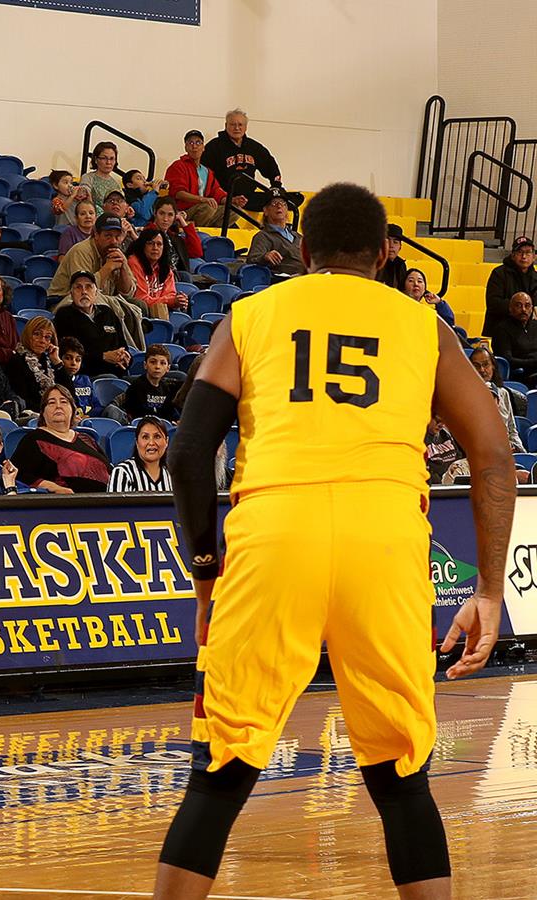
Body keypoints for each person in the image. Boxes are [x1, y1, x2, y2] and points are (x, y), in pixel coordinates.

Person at [153, 181, 514, 900]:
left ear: (303, 250)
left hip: (273, 531)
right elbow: (495, 456)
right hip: (383, 535)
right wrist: (488, 589)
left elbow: (190, 454)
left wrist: (204, 570)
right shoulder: (425, 325)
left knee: (220, 769)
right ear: (387, 251)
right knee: (402, 774)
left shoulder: (250, 315)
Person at [9, 383, 110, 493]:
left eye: (64, 402)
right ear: (43, 412)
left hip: (106, 502)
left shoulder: (86, 439)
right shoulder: (33, 439)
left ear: (73, 410)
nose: (58, 406)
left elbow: (108, 469)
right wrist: (52, 487)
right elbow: (17, 474)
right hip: (68, 505)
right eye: (51, 402)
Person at [200, 109, 290, 212]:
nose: (237, 128)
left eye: (240, 125)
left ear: (246, 127)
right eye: (233, 124)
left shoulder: (253, 147)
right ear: (226, 125)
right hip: (225, 197)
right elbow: (203, 173)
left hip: (249, 197)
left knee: (281, 201)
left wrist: (276, 186)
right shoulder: (214, 147)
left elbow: (270, 164)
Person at [54, 271, 131, 378]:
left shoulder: (107, 312)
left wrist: (124, 356)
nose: (84, 291)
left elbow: (123, 345)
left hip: (117, 374)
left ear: (96, 293)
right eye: (78, 287)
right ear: (71, 294)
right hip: (86, 376)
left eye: (89, 287)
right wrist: (102, 356)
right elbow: (66, 355)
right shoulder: (64, 315)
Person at [164, 130, 232, 228]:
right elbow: (178, 193)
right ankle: (193, 230)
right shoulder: (178, 166)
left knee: (234, 210)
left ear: (203, 147)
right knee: (208, 207)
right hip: (184, 210)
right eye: (190, 143)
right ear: (186, 147)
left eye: (198, 142)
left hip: (203, 210)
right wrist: (202, 199)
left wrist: (232, 200)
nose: (194, 146)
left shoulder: (207, 171)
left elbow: (217, 192)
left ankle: (211, 233)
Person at [4, 315, 68, 415]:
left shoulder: (50, 361)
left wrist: (58, 362)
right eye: (37, 334)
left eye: (47, 337)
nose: (42, 340)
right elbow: (23, 399)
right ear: (27, 335)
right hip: (32, 414)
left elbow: (69, 395)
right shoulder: (16, 361)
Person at [469, 347, 528, 454]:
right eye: (476, 366)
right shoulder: (466, 396)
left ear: (493, 366)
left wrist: (521, 451)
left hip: (509, 449)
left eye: (485, 364)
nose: (482, 370)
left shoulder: (504, 393)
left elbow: (512, 429)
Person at [245, 188, 305, 277]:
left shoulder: (298, 236)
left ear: (287, 209)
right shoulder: (263, 236)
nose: (279, 206)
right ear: (265, 210)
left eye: (282, 203)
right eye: (274, 203)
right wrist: (265, 257)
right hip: (284, 281)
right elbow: (252, 260)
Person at [484, 235, 537, 332]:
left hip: (528, 331)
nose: (524, 256)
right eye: (520, 252)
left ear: (534, 257)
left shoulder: (535, 277)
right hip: (501, 328)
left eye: (528, 252)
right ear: (513, 256)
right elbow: (493, 303)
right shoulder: (499, 273)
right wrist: (521, 309)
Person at [128, 228, 185, 317]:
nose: (155, 248)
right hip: (140, 312)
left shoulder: (165, 266)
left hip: (160, 310)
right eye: (150, 243)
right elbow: (141, 298)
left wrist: (178, 300)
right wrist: (170, 301)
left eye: (159, 244)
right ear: (143, 245)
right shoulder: (134, 262)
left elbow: (170, 294)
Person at [108, 416, 172, 492]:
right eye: (145, 437)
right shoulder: (122, 472)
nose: (151, 443)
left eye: (157, 436)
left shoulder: (175, 474)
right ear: (137, 442)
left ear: (166, 441)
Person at [120, 345, 181, 421]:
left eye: (162, 363)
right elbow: (133, 415)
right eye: (153, 362)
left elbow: (171, 414)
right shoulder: (136, 386)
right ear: (145, 365)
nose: (157, 366)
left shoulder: (168, 387)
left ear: (168, 368)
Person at [489, 292, 537, 384]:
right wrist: (532, 362)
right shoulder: (502, 329)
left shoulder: (535, 326)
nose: (523, 310)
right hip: (521, 374)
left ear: (532, 308)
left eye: (527, 306)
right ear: (510, 308)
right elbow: (506, 359)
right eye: (519, 306)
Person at [150, 197, 202, 283]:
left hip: (177, 277)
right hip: (158, 277)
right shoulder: (148, 234)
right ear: (155, 213)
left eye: (170, 215)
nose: (165, 219)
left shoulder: (174, 237)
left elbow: (197, 251)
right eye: (162, 213)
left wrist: (183, 222)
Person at [82, 142, 124, 218]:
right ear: (95, 159)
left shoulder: (116, 182)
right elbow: (86, 202)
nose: (108, 162)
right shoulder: (88, 178)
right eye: (104, 158)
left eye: (112, 159)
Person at [424, 414, 465, 485]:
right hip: (439, 486)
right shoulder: (420, 439)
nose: (441, 425)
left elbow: (459, 457)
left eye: (444, 421)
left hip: (457, 482)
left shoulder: (446, 434)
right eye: (438, 421)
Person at [59, 336, 94, 418]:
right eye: (68, 358)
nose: (73, 363)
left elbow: (97, 406)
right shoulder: (56, 381)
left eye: (78, 360)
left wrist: (89, 416)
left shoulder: (85, 380)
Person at [377, 223, 409, 291]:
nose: (391, 245)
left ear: (400, 247)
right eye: (388, 241)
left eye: (395, 242)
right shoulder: (374, 264)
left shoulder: (401, 264)